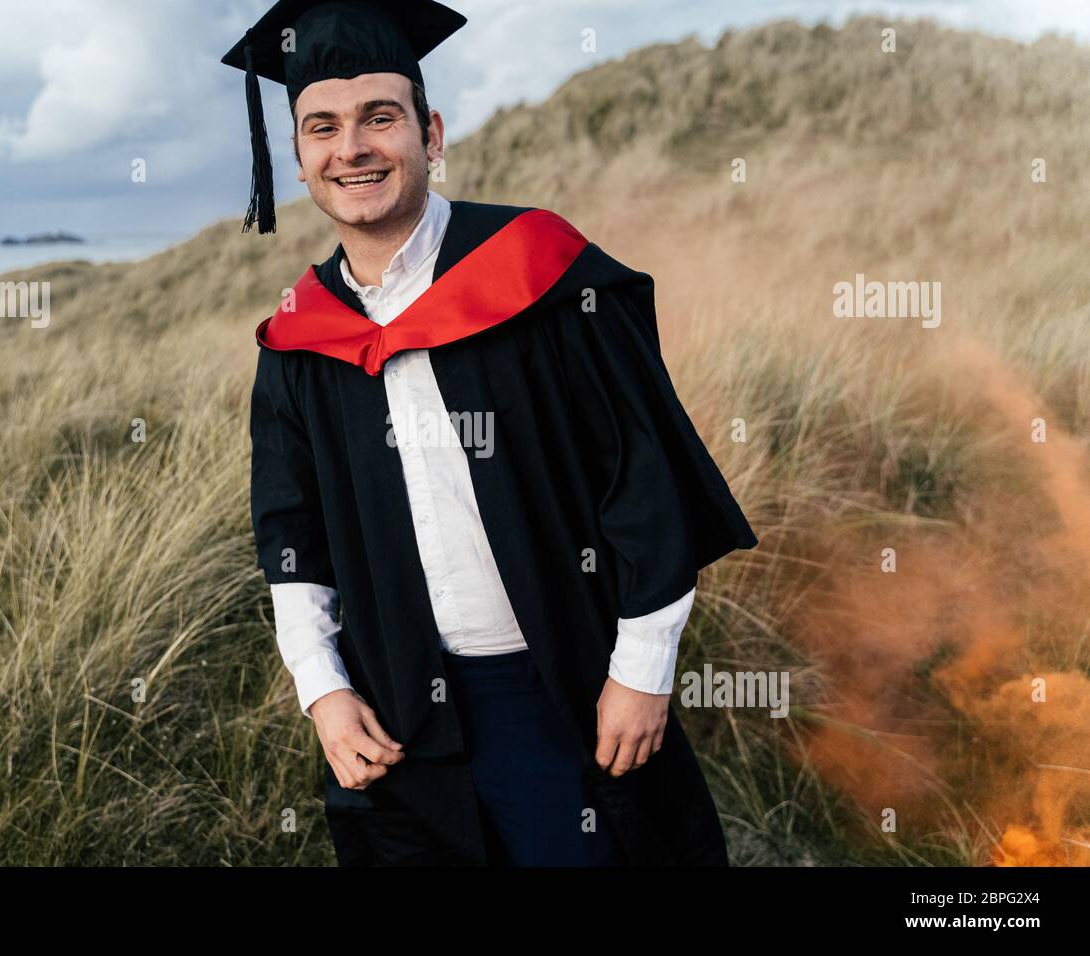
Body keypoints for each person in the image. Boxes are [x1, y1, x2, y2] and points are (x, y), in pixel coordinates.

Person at [223, 0, 759, 866]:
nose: (351, 148)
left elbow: (645, 478)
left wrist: (642, 669)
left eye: (380, 118)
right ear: (298, 156)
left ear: (430, 134)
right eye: (322, 127)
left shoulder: (541, 271)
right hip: (396, 708)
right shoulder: (299, 336)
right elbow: (292, 533)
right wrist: (322, 690)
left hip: (560, 683)